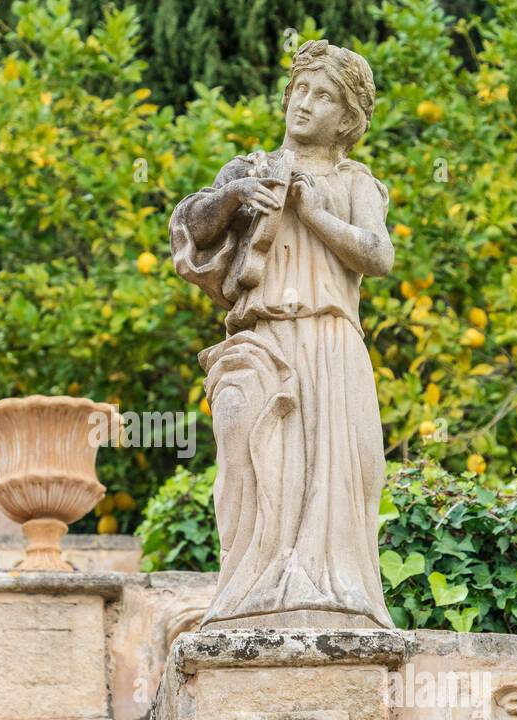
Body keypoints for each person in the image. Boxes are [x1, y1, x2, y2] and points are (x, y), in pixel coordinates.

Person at [170, 40, 395, 628]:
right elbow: (191, 230)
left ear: (347, 120)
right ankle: (250, 595)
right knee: (253, 469)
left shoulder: (356, 182)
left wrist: (315, 211)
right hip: (262, 342)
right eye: (300, 90)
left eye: (324, 97)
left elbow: (378, 255)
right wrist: (232, 197)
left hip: (331, 340)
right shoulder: (248, 170)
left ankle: (338, 597)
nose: (305, 103)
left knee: (339, 472)